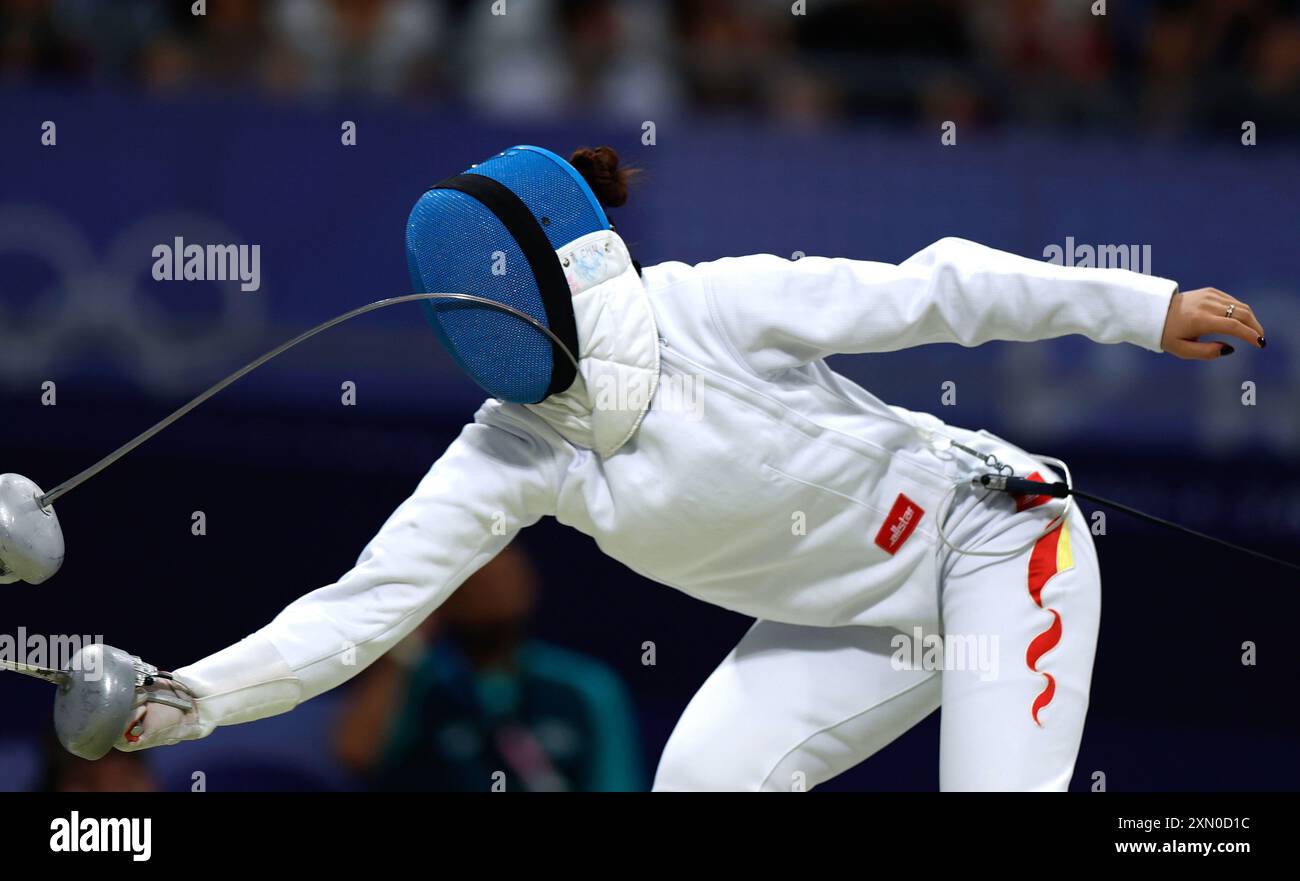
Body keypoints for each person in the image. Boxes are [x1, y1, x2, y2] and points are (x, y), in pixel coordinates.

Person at [118, 144, 1268, 791]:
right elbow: (358, 612)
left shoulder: (711, 302)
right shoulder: (512, 449)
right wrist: (184, 702)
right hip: (851, 621)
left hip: (997, 545)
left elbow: (941, 283)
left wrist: (1139, 306)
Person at [333, 544, 642, 792]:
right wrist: (410, 637)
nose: (489, 586)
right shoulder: (418, 680)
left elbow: (615, 782)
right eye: (475, 577)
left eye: (503, 574)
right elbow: (355, 755)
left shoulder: (583, 686)